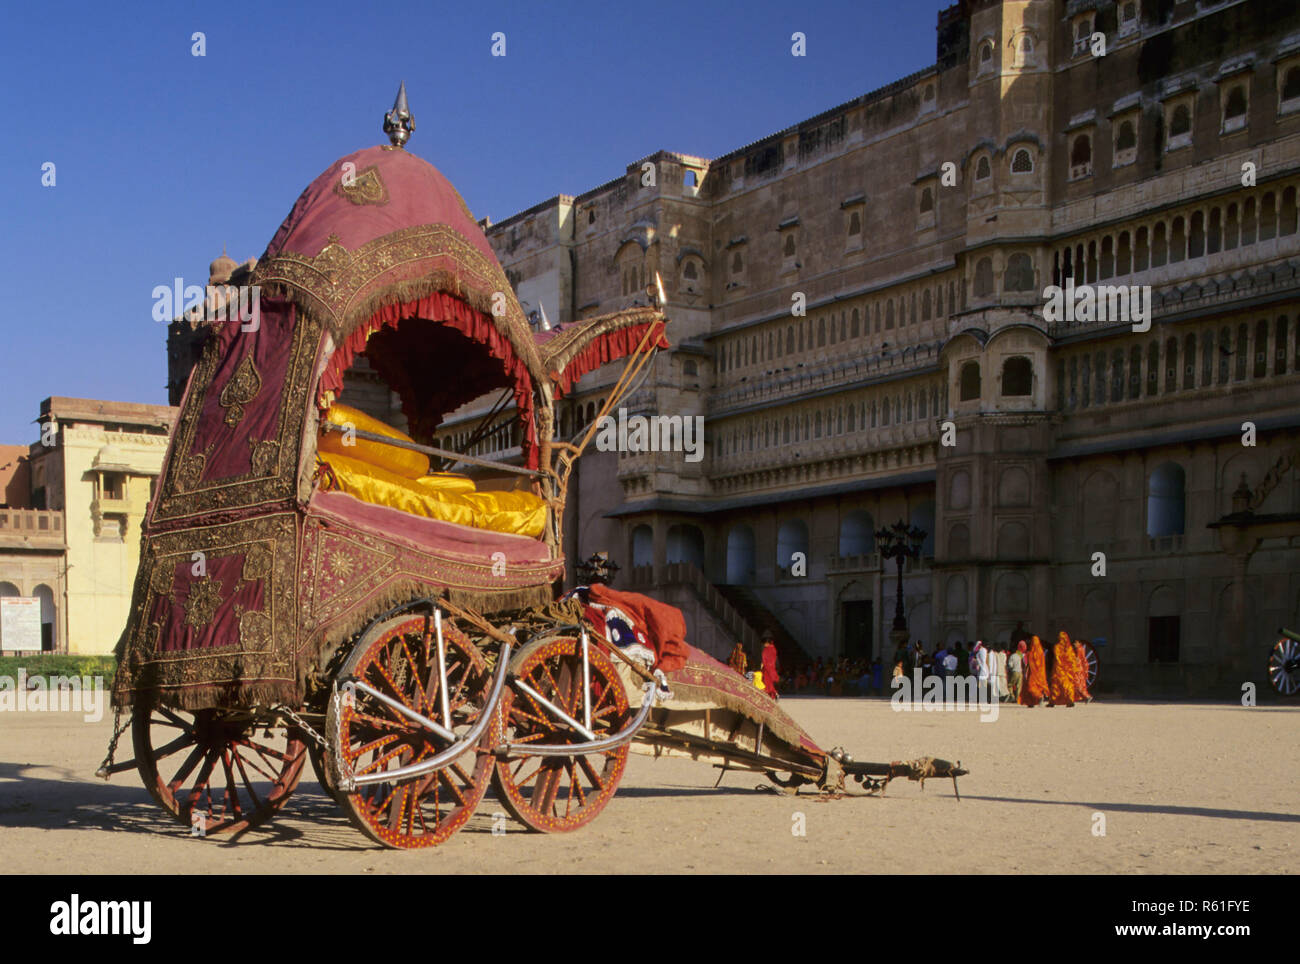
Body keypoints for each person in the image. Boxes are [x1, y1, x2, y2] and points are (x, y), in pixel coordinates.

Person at [1049, 631, 1080, 707]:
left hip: (1059, 669)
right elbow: (1072, 660)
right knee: (1067, 685)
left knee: (1056, 686)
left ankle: (1053, 701)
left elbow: (1057, 658)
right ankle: (1069, 700)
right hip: (1067, 671)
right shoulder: (1069, 649)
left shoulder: (1057, 647)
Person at [1020, 636, 1049, 707]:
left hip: (1034, 675)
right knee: (1032, 688)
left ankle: (1040, 697)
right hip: (1038, 674)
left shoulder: (1032, 653)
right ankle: (1031, 702)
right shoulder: (1038, 652)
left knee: (1031, 687)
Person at [760, 630, 780, 700]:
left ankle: (771, 694)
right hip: (771, 668)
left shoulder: (767, 649)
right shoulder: (773, 649)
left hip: (767, 668)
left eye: (764, 643)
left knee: (767, 683)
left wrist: (762, 665)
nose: (764, 645)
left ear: (767, 643)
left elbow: (764, 659)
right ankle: (773, 694)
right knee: (770, 683)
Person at [1073, 638, 1093, 703]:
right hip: (1078, 669)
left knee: (1077, 685)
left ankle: (1087, 697)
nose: (1074, 644)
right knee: (1078, 685)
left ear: (1078, 643)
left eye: (1075, 643)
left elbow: (1079, 659)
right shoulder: (1080, 649)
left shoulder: (1079, 649)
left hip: (1078, 670)